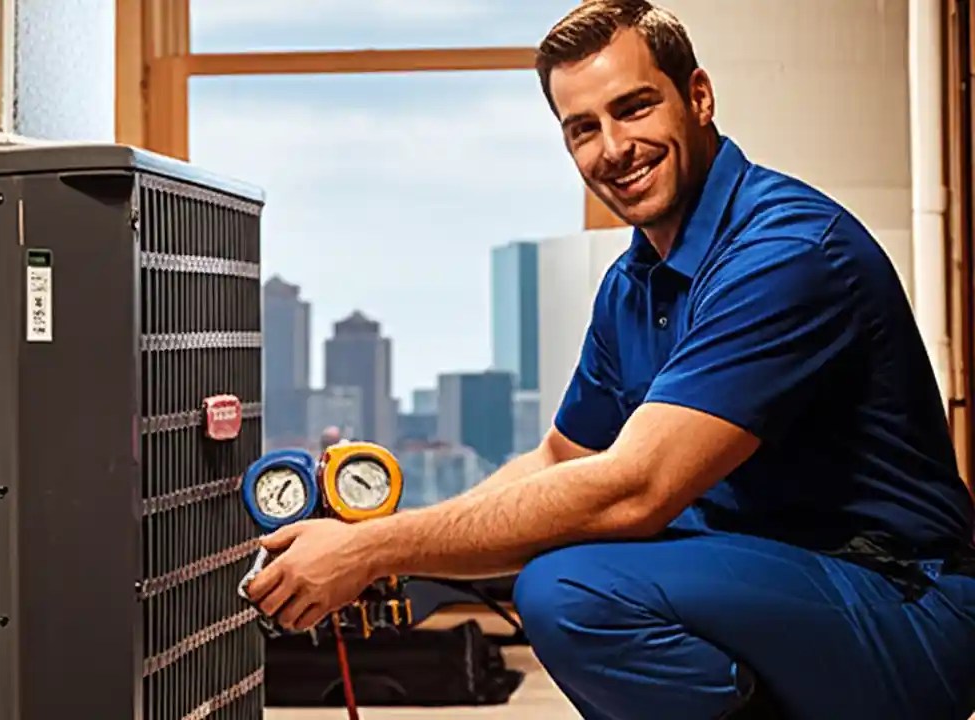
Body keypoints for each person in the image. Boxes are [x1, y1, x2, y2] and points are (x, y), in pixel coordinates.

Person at [244, 1, 975, 717]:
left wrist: (375, 550)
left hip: (903, 602)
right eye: (582, 129)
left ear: (698, 95)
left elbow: (636, 490)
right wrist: (381, 541)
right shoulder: (633, 284)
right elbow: (561, 458)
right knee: (569, 565)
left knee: (570, 589)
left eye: (634, 108)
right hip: (781, 581)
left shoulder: (784, 252)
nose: (614, 147)